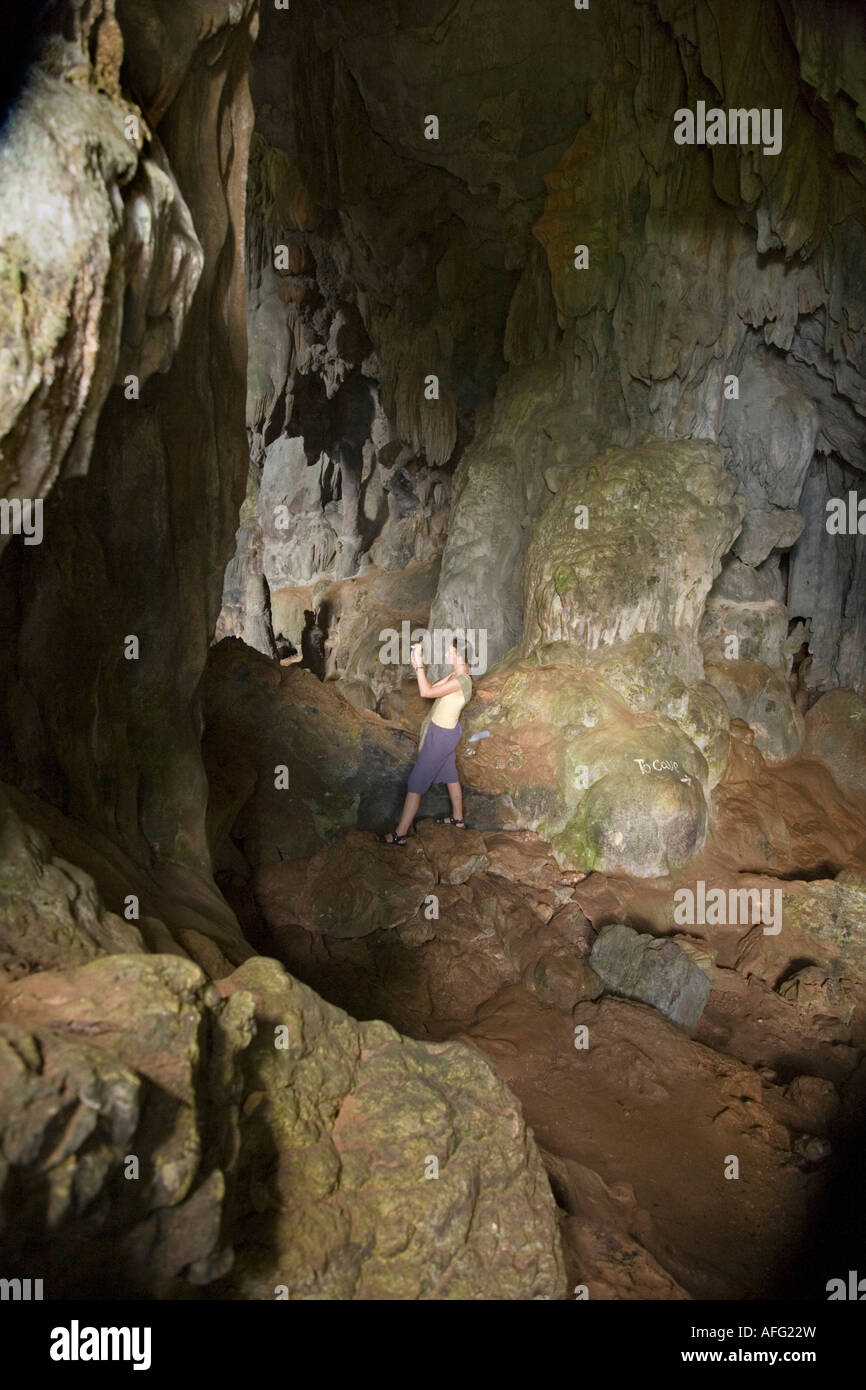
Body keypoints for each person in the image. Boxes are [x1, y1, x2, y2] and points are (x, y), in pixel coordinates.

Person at [379, 635, 474, 845]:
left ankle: (400, 834)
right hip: (445, 732)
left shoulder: (460, 681)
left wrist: (420, 665)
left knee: (415, 782)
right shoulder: (456, 675)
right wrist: (417, 665)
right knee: (450, 775)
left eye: (450, 651)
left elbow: (426, 691)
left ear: (459, 655)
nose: (447, 654)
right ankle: (458, 819)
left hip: (441, 736)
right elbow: (433, 688)